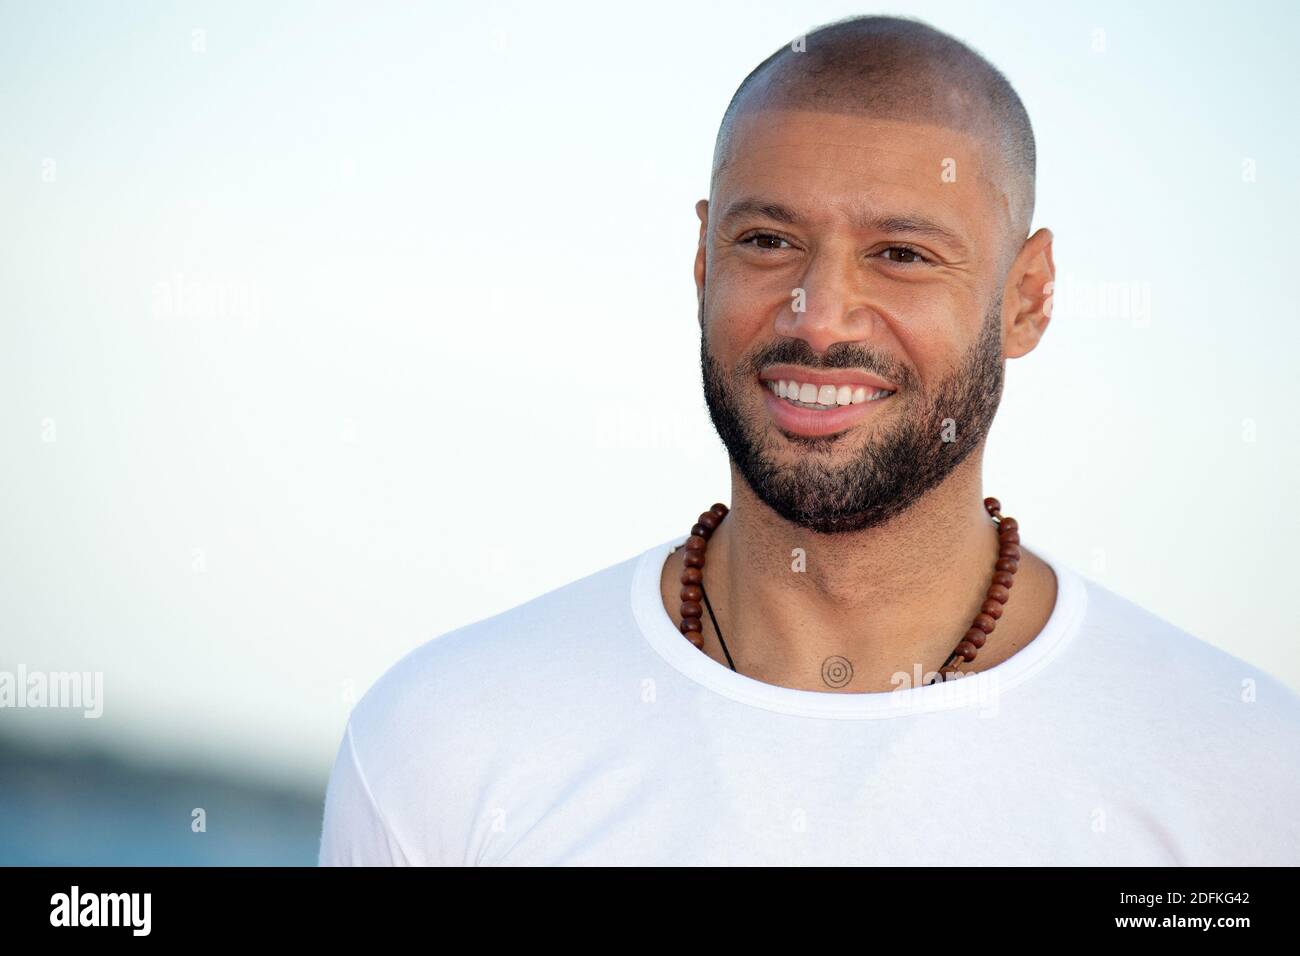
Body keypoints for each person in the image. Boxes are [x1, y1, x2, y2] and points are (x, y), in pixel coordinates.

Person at [318, 14, 1300, 865]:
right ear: (703, 261)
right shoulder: (445, 739)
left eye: (901, 254)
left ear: (1027, 297)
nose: (820, 317)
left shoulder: (1246, 778)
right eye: (768, 241)